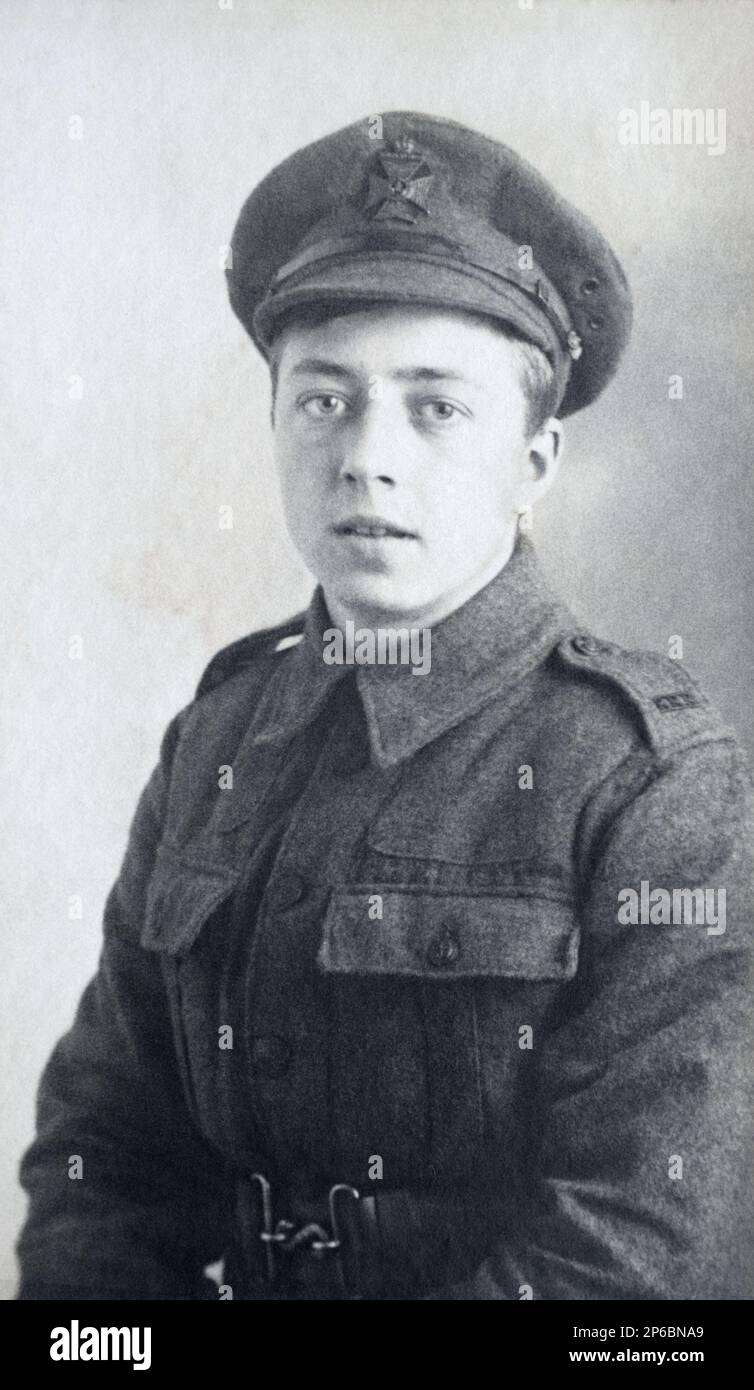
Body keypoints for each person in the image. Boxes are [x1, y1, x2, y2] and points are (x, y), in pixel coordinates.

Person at [17, 111, 753, 1300]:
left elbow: (636, 1268)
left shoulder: (650, 781)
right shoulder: (219, 739)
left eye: (435, 407)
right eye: (323, 400)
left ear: (534, 461)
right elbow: (104, 1160)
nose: (367, 456)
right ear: (273, 425)